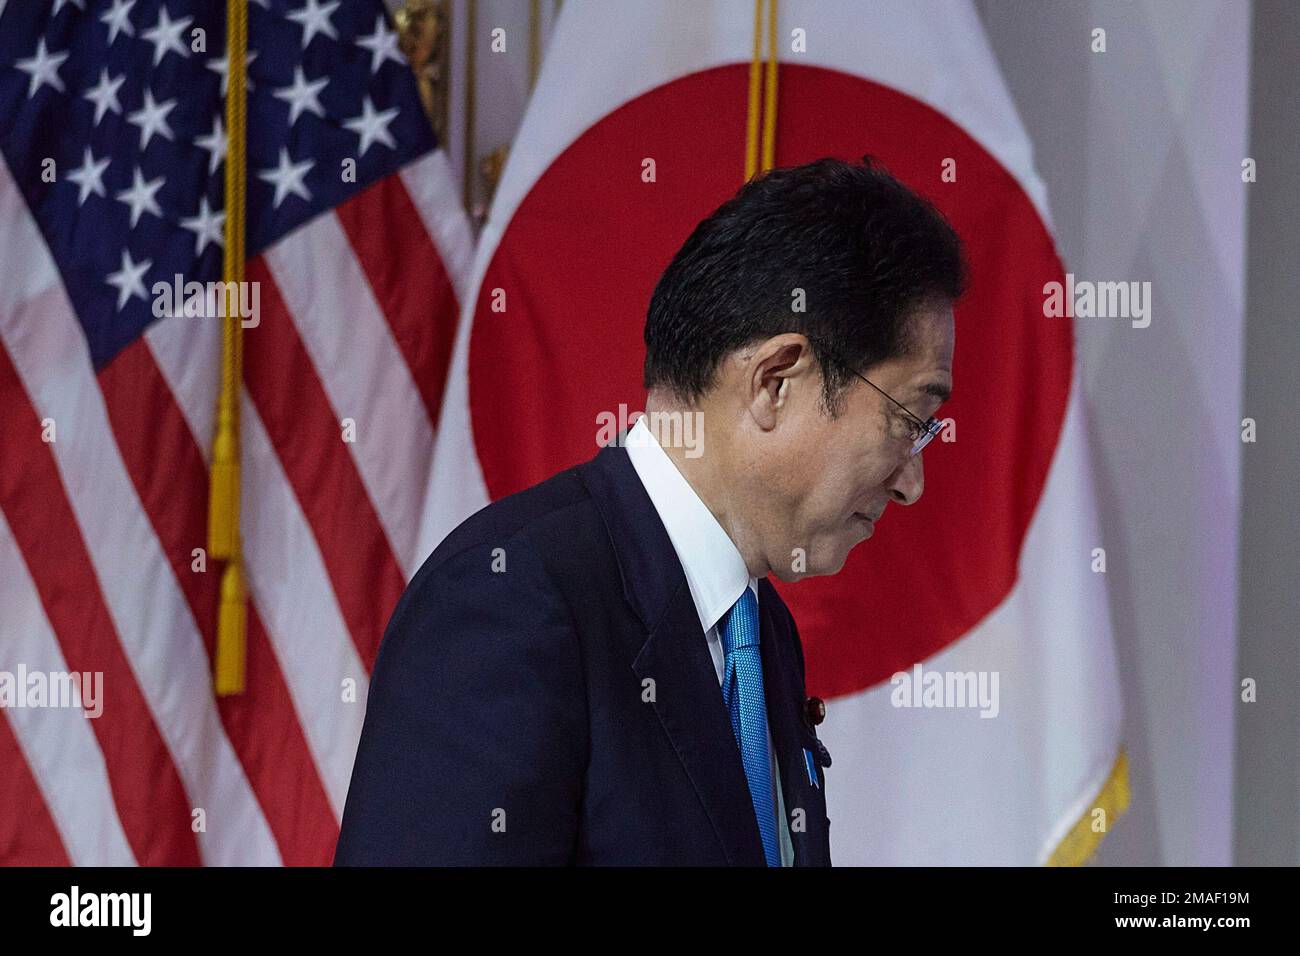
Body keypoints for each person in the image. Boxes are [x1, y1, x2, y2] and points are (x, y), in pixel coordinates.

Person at [334, 155, 965, 865]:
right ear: (775, 381)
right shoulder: (510, 600)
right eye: (909, 420)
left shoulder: (761, 632)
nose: (911, 482)